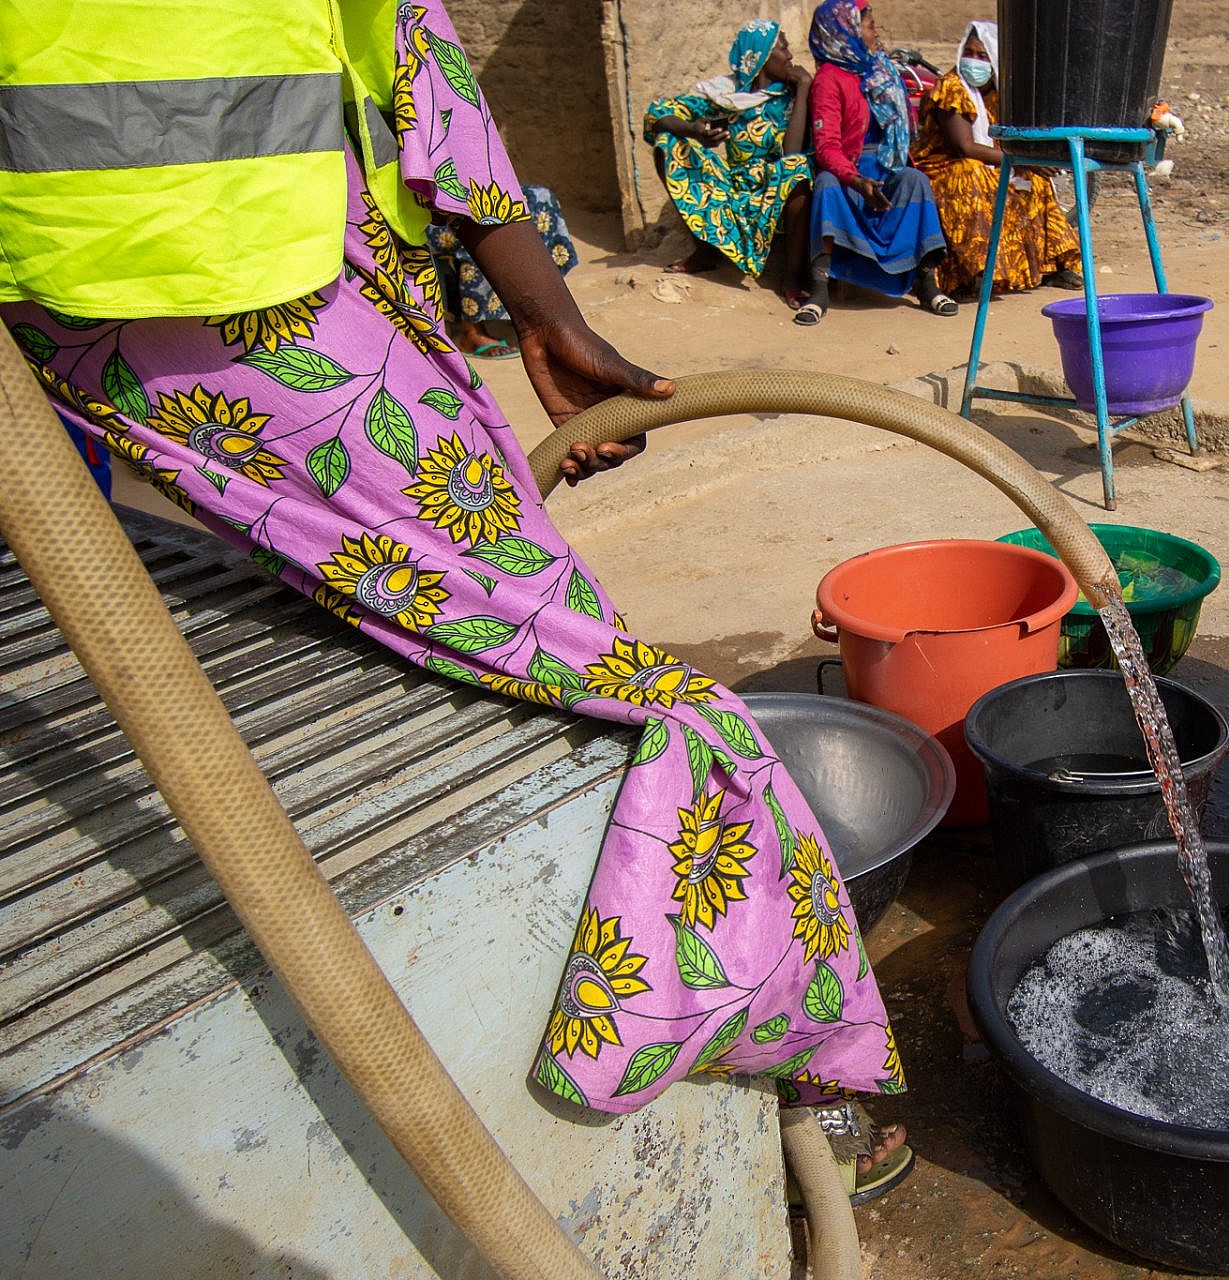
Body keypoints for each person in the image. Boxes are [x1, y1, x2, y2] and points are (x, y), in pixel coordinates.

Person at [1, 0, 908, 1190]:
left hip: (240, 243)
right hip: (204, 267)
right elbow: (413, 38)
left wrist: (536, 309)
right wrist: (543, 305)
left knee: (495, 606)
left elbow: (398, 34)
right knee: (656, 701)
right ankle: (807, 1067)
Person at [795, 0, 952, 326]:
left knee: (915, 181)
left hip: (885, 167)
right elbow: (827, 147)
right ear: (846, 32)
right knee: (826, 184)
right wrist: (855, 181)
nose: (875, 33)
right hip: (849, 172)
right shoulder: (829, 79)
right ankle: (819, 288)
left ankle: (926, 283)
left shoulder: (878, 69)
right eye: (868, 26)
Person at [646, 20, 815, 308]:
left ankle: (792, 276)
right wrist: (694, 131)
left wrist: (803, 90)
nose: (789, 55)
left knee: (797, 167)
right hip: (733, 185)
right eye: (782, 47)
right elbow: (659, 114)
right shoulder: (727, 94)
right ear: (762, 56)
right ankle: (705, 251)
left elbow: (792, 152)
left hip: (774, 188)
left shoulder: (791, 95)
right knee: (668, 142)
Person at [908, 20, 1081, 298]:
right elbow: (964, 147)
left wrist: (1027, 162)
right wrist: (1019, 160)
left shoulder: (999, 92)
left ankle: (1051, 265)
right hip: (944, 166)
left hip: (990, 161)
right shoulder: (952, 88)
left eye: (982, 56)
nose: (973, 61)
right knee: (971, 174)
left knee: (1033, 180)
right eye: (969, 53)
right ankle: (972, 272)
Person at [425, 182, 578, 357]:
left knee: (540, 197)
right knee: (483, 217)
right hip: (426, 209)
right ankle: (472, 333)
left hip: (460, 191)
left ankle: (535, 310)